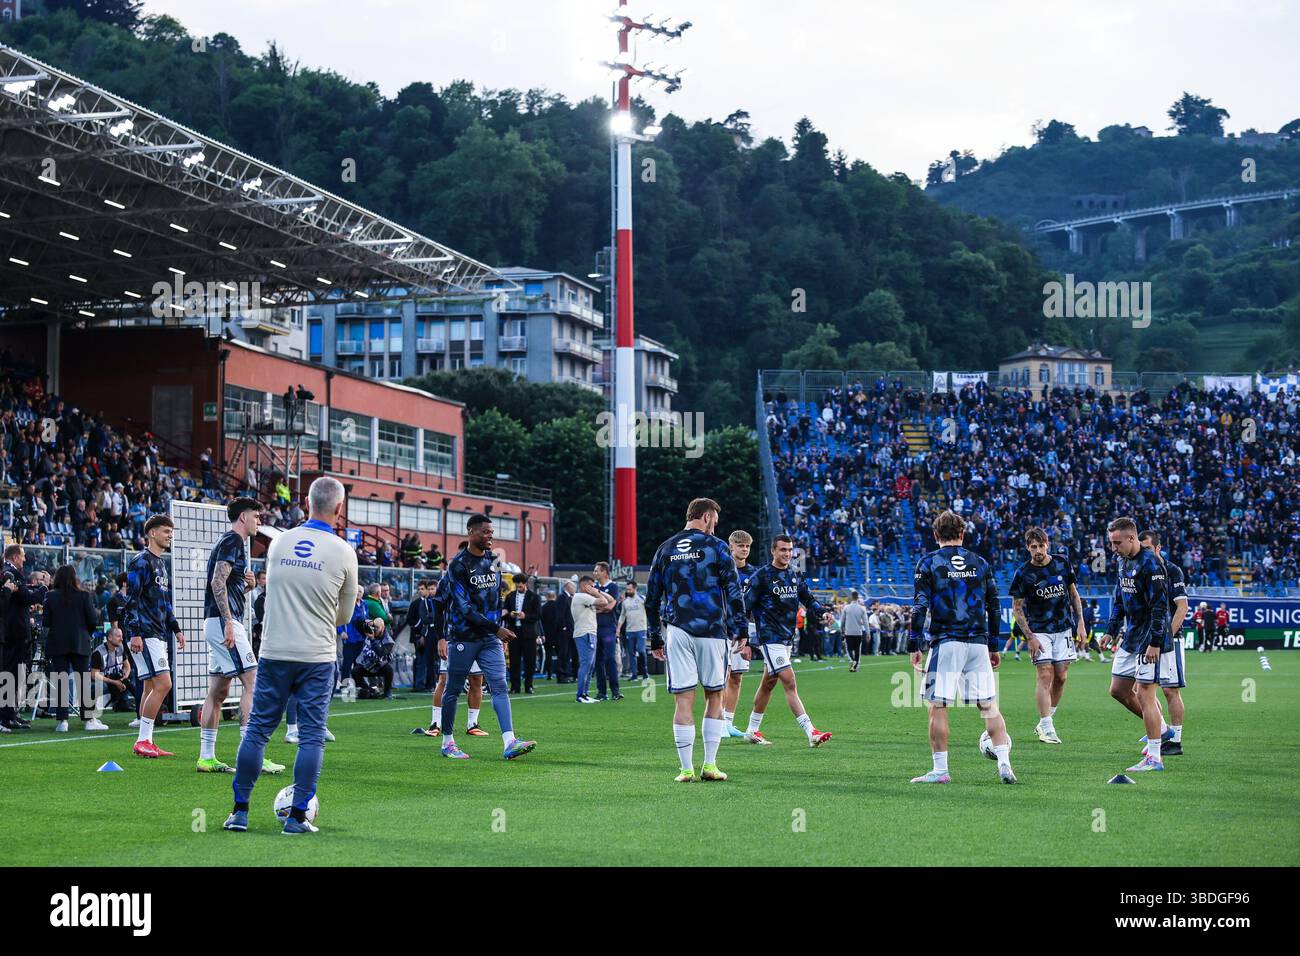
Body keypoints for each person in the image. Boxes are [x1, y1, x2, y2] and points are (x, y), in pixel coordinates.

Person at [224, 477, 358, 835]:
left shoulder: (279, 542)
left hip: (275, 651)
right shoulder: (344, 551)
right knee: (311, 737)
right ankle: (297, 818)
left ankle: (239, 812)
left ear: (307, 502)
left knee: (257, 732)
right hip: (316, 654)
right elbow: (343, 618)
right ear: (339, 508)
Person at [909, 510, 1016, 785]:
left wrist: (914, 643)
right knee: (989, 707)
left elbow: (920, 606)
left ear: (935, 535)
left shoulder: (929, 562)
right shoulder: (979, 563)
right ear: (963, 533)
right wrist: (993, 645)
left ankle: (940, 770)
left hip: (946, 642)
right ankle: (1004, 764)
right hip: (978, 643)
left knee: (938, 705)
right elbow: (994, 605)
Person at [646, 497, 746, 783]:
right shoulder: (717, 547)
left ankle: (685, 769)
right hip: (713, 630)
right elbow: (733, 589)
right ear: (705, 516)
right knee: (715, 694)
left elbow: (651, 599)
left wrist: (655, 638)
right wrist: (741, 628)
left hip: (678, 630)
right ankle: (710, 766)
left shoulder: (665, 548)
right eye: (714, 518)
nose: (716, 524)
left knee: (683, 698)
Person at [436, 514, 536, 761]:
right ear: (471, 532)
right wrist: (442, 636)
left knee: (499, 685)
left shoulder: (493, 561)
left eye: (491, 531)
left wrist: (497, 632)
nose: (490, 535)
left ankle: (509, 741)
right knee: (454, 689)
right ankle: (447, 742)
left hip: (490, 637)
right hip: (463, 637)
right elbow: (462, 608)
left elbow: (495, 600)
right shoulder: (458, 565)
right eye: (485, 532)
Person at [197, 497, 284, 775]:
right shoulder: (233, 541)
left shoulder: (233, 544)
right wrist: (229, 623)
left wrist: (246, 588)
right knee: (253, 683)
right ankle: (252, 755)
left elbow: (224, 585)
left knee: (219, 691)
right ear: (244, 517)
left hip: (218, 621)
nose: (259, 521)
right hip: (225, 624)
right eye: (257, 516)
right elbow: (216, 582)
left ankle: (206, 757)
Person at [740, 534, 834, 748]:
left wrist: (823, 613)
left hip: (786, 638)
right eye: (782, 549)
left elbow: (808, 599)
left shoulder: (794, 574)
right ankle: (811, 732)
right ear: (773, 551)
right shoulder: (761, 576)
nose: (787, 554)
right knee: (789, 681)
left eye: (790, 550)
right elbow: (744, 609)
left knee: (768, 683)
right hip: (769, 637)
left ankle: (752, 730)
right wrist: (744, 639)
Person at [1101, 516, 1171, 773]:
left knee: (1145, 693)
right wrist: (1110, 630)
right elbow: (1120, 600)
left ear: (1132, 538)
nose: (1113, 548)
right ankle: (1162, 729)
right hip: (1131, 637)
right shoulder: (1121, 561)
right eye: (1111, 543)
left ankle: (1154, 757)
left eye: (1117, 542)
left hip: (1148, 640)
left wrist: (1155, 643)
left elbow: (1160, 607)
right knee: (1118, 690)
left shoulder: (1151, 564)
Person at [1009, 528, 1085, 745]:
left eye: (1041, 546)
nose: (1038, 551)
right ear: (1027, 548)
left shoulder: (1062, 563)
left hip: (1064, 629)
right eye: (1033, 547)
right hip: (1040, 631)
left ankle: (1045, 721)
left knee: (1061, 677)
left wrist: (1080, 623)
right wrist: (1030, 637)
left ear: (1047, 544)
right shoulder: (1023, 574)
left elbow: (1073, 594)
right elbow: (1017, 608)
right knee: (1045, 674)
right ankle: (1047, 726)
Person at [122, 516, 185, 758]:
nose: (170, 535)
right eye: (166, 531)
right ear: (152, 534)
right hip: (145, 632)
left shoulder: (160, 563)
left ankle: (146, 740)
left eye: (171, 531)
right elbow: (132, 600)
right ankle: (142, 740)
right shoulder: (141, 562)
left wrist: (176, 629)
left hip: (157, 631)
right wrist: (135, 632)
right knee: (164, 684)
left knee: (150, 685)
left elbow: (164, 603)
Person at [422, 545, 489, 738]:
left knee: (477, 679)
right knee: (444, 679)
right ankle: (435, 723)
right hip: (456, 638)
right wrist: (441, 638)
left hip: (479, 638)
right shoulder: (448, 580)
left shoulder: (482, 580)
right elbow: (438, 611)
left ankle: (472, 723)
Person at [42, 564, 108, 732]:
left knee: (61, 681)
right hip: (80, 642)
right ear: (74, 577)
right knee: (83, 682)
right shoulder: (84, 596)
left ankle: (63, 722)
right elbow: (93, 620)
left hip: (57, 643)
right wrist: (86, 633)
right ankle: (88, 720)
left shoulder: (50, 596)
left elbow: (46, 622)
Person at [1139, 531, 1187, 757]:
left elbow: (1182, 607)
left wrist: (1166, 637)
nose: (1144, 552)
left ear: (1158, 548)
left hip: (1170, 639)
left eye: (1148, 548)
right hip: (1148, 639)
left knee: (1170, 690)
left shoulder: (1172, 570)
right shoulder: (1139, 569)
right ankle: (1160, 731)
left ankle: (1175, 741)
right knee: (1143, 688)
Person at [0, 544, 48, 731]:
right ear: (14, 558)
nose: (25, 559)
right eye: (22, 556)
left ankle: (11, 713)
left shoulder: (11, 573)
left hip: (17, 632)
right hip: (14, 632)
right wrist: (44, 587)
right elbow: (27, 598)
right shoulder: (9, 574)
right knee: (10, 676)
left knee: (17, 675)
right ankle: (6, 716)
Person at [720, 529, 760, 737]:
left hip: (741, 633)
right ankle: (717, 723)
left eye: (747, 546)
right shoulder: (721, 570)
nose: (744, 550)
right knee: (721, 678)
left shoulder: (754, 574)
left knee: (736, 677)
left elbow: (754, 608)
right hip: (720, 631)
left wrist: (750, 639)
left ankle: (728, 723)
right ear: (731, 546)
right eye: (740, 546)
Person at [569, 575, 613, 703]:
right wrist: (596, 593)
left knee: (590, 665)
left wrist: (597, 592)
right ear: (584, 586)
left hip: (589, 633)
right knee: (586, 664)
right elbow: (605, 602)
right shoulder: (580, 596)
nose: (594, 589)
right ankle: (580, 695)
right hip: (585, 633)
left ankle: (585, 693)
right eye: (592, 586)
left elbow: (611, 601)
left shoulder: (587, 599)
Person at [504, 575, 541, 694]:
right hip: (514, 632)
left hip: (529, 633)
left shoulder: (534, 597)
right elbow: (505, 612)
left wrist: (526, 616)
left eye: (520, 585)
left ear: (525, 584)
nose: (518, 587)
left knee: (529, 661)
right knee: (514, 661)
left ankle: (529, 685)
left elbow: (538, 615)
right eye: (516, 585)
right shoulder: (510, 596)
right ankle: (515, 686)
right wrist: (510, 615)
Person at [592, 561, 623, 701]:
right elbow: (592, 607)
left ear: (605, 572)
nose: (595, 573)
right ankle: (601, 691)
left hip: (608, 628)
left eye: (597, 570)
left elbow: (610, 607)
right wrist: (600, 608)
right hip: (595, 627)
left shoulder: (613, 587)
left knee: (610, 659)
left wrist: (598, 609)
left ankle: (615, 691)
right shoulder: (594, 587)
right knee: (598, 660)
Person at [90, 627, 133, 714]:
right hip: (100, 681)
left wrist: (125, 676)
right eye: (118, 636)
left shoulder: (121, 648)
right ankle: (90, 710)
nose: (121, 639)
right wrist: (114, 682)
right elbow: (94, 675)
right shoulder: (99, 652)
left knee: (133, 675)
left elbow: (127, 666)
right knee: (101, 686)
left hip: (115, 678)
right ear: (109, 638)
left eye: (122, 636)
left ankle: (122, 703)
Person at [617, 582, 648, 681]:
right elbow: (622, 616)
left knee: (641, 651)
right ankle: (634, 674)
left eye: (630, 589)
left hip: (641, 629)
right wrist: (618, 628)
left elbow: (650, 609)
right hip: (629, 630)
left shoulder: (642, 599)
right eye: (627, 589)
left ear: (635, 589)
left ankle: (645, 673)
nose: (628, 591)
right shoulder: (625, 602)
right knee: (631, 653)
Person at [540, 589, 565, 680]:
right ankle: (560, 673)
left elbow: (541, 621)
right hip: (558, 633)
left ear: (547, 597)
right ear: (555, 597)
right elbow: (561, 620)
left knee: (548, 654)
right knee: (560, 654)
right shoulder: (558, 607)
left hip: (547, 634)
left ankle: (549, 673)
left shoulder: (543, 607)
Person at [841, 591, 867, 672]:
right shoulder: (862, 608)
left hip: (849, 632)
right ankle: (856, 665)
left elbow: (842, 621)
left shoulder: (846, 608)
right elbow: (866, 622)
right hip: (858, 632)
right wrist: (868, 633)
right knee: (857, 650)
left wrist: (841, 630)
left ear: (851, 597)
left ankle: (852, 661)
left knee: (849, 649)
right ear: (857, 597)